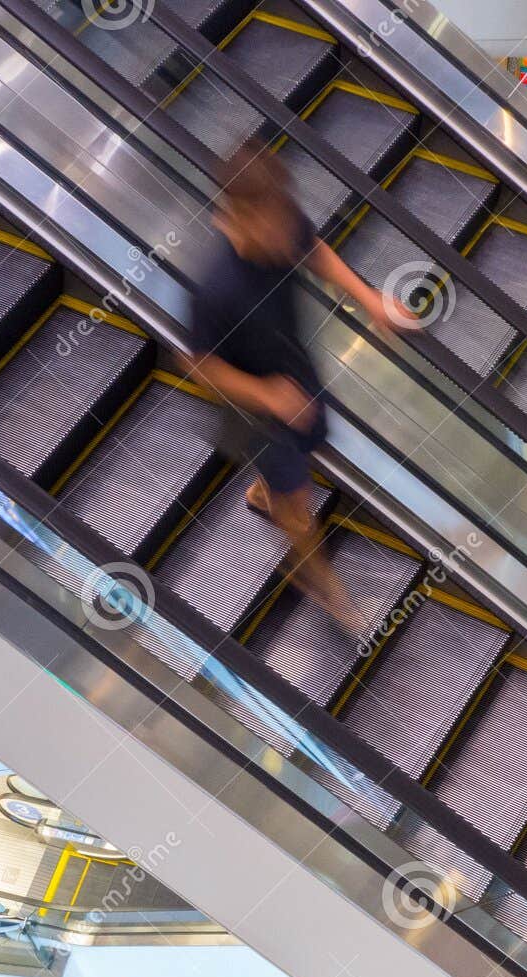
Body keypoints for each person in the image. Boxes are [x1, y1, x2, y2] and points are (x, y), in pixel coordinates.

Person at [186, 149, 412, 634]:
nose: (281, 231)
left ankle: (265, 494)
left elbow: (311, 248)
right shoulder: (215, 287)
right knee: (299, 504)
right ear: (240, 216)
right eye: (269, 222)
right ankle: (324, 586)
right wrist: (266, 395)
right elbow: (201, 366)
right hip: (258, 410)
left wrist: (369, 297)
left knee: (312, 443)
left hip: (294, 372)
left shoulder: (282, 222)